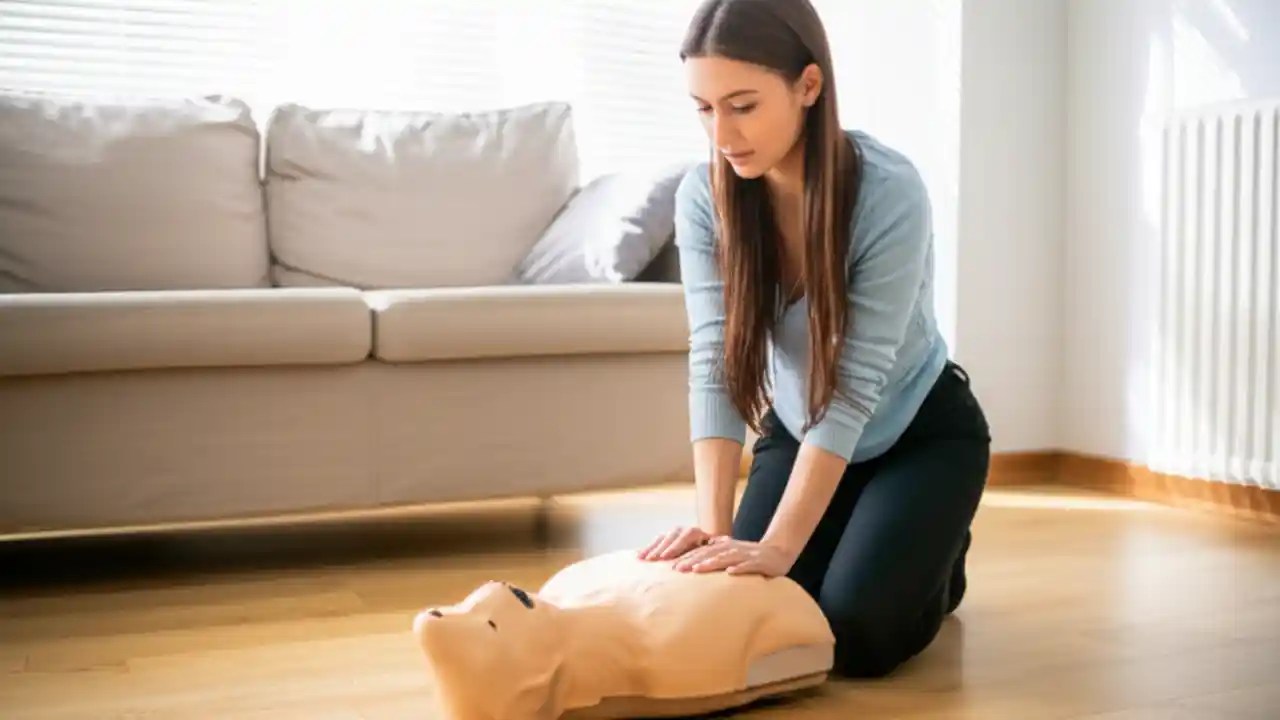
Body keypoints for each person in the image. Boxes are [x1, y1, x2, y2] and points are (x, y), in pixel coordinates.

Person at [637, 0, 992, 679]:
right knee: (755, 605)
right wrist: (714, 530)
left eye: (742, 105)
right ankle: (872, 533)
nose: (722, 134)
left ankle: (941, 555)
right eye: (704, 109)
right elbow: (713, 359)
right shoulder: (704, 196)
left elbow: (855, 383)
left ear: (808, 86)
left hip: (918, 435)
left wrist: (779, 545)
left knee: (852, 633)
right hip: (801, 432)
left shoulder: (889, 192)